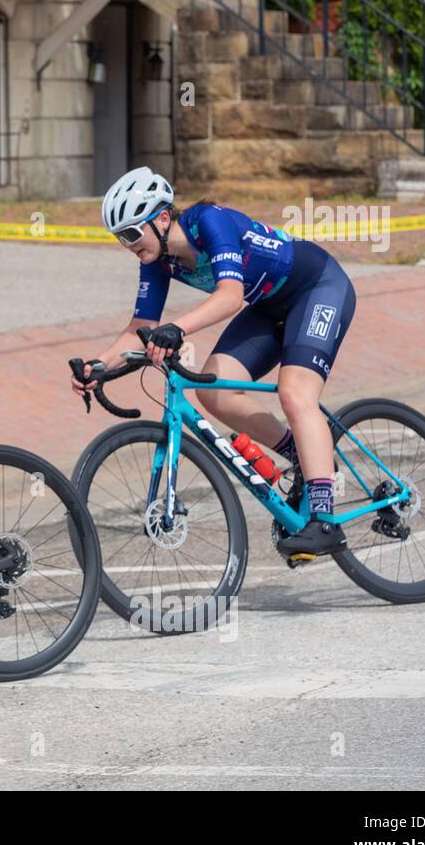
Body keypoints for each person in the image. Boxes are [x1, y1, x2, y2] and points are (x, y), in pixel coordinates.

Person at [75, 166, 357, 558]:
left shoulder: (209, 222)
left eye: (131, 233)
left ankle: (325, 520)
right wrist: (98, 366)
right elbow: (140, 326)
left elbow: (229, 296)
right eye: (119, 238)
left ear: (160, 218)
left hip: (318, 288)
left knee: (295, 394)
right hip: (268, 308)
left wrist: (176, 329)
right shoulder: (157, 260)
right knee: (211, 388)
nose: (127, 244)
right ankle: (304, 458)